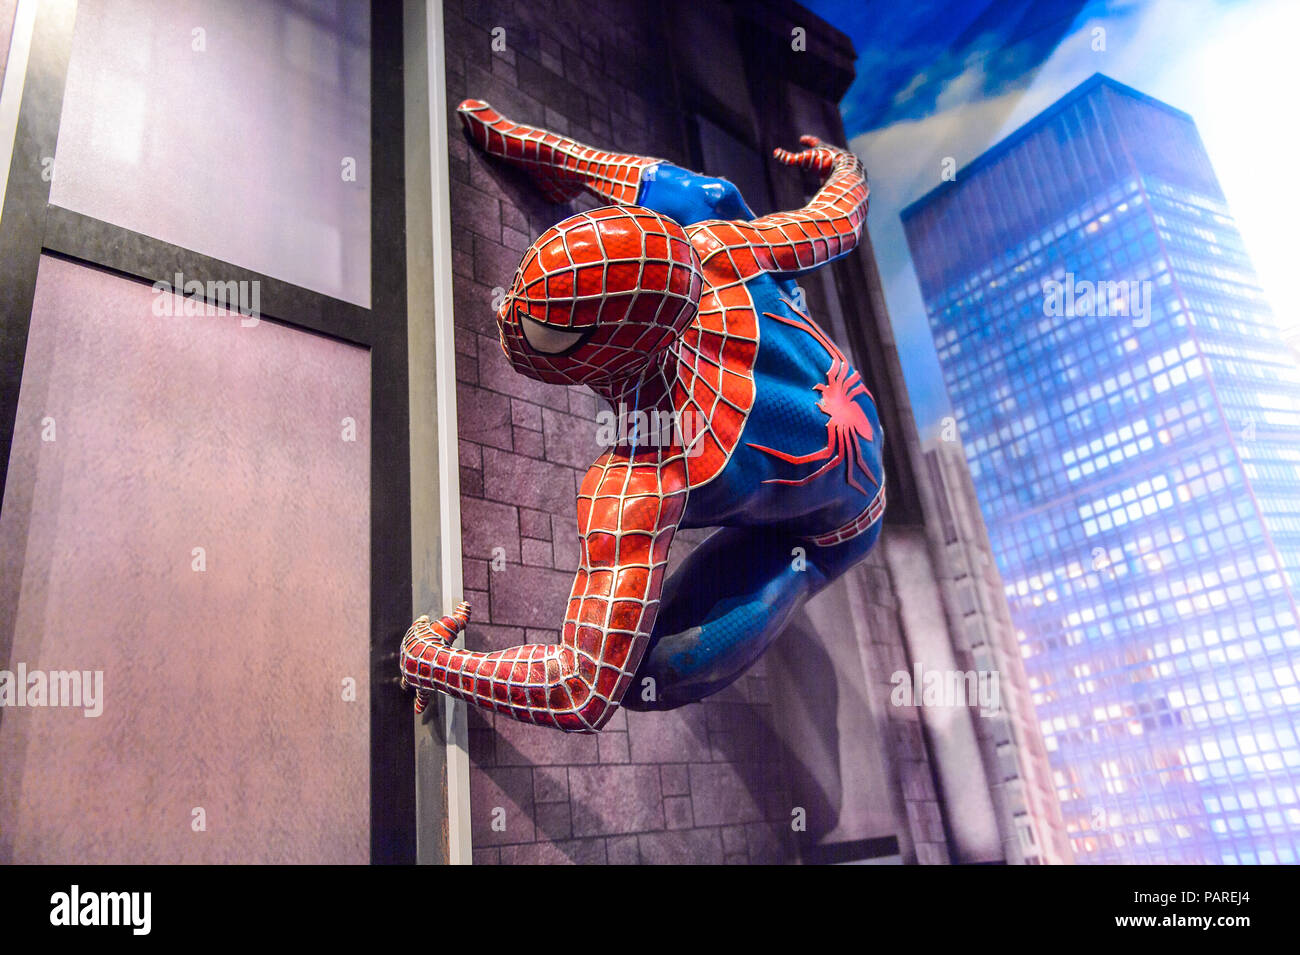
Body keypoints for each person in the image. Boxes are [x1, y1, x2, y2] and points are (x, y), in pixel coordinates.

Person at [400, 100, 885, 732]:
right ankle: (549, 164)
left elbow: (581, 691)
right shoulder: (716, 241)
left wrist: (429, 661)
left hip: (831, 533)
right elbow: (839, 217)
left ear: (614, 350)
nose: (504, 317)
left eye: (544, 332)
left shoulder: (652, 472)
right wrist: (845, 163)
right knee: (698, 194)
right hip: (852, 423)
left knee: (652, 672)